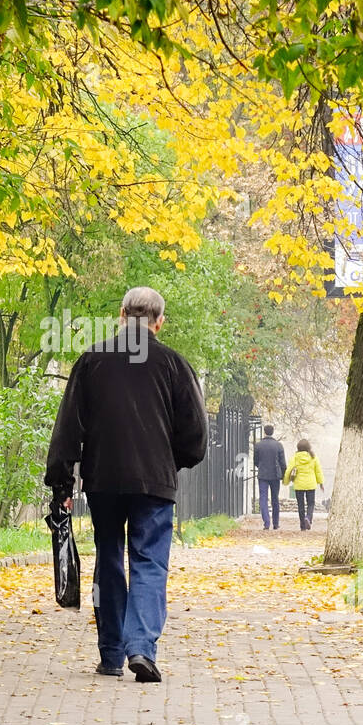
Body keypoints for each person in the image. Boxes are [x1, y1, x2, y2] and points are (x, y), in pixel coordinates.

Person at [45, 287, 208, 682]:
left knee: (110, 558)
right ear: (159, 321)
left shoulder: (91, 362)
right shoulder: (174, 365)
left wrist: (62, 483)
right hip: (154, 481)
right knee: (149, 561)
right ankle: (142, 649)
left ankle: (112, 655)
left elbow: (68, 429)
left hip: (103, 480)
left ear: (121, 315)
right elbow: (196, 436)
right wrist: (174, 462)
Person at [283, 438, 325, 531]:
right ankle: (308, 518)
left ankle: (302, 525)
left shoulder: (295, 457)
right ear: (308, 447)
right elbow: (318, 471)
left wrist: (285, 481)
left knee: (300, 505)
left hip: (299, 485)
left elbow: (289, 470)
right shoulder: (313, 457)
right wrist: (321, 483)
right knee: (310, 503)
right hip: (311, 483)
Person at [252, 425, 286, 530]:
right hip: (275, 475)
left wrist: (261, 467)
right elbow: (282, 462)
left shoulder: (258, 445)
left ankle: (266, 522)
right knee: (275, 498)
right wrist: (283, 474)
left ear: (264, 432)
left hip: (263, 475)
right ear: (272, 432)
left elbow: (256, 461)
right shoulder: (278, 445)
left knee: (263, 498)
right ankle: (276, 523)